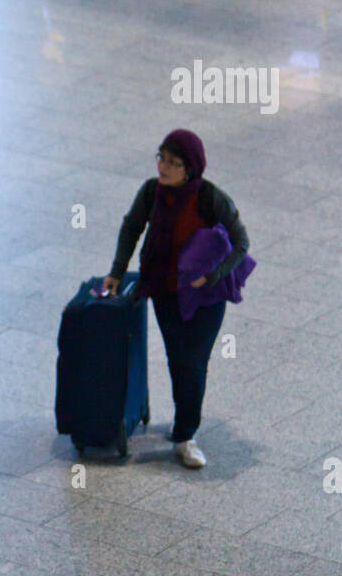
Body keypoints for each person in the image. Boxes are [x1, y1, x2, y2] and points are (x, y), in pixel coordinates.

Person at [103, 128, 250, 469]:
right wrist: (117, 270)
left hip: (205, 296)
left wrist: (213, 275)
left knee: (193, 363)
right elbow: (131, 227)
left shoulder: (210, 198)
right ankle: (184, 425)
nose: (164, 168)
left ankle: (185, 436)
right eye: (161, 159)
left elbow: (242, 243)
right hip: (165, 290)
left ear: (191, 168)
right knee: (176, 358)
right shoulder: (151, 192)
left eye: (173, 162)